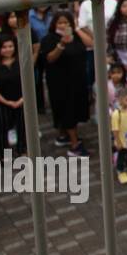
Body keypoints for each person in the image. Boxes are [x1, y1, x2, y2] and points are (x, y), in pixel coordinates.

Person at [40, 10, 89, 156]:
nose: (63, 25)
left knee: (73, 108)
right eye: (60, 22)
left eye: (66, 22)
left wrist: (77, 30)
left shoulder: (76, 36)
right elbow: (50, 58)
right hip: (60, 82)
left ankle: (63, 136)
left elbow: (90, 43)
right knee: (67, 110)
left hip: (77, 80)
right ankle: (74, 145)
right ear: (54, 23)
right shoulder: (49, 39)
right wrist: (61, 44)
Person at [0, 32, 25, 154]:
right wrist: (6, 102)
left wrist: (22, 99)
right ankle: (4, 154)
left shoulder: (21, 60)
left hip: (21, 100)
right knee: (3, 129)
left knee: (22, 127)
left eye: (10, 46)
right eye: (4, 47)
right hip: (1, 102)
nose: (8, 50)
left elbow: (29, 81)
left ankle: (22, 150)